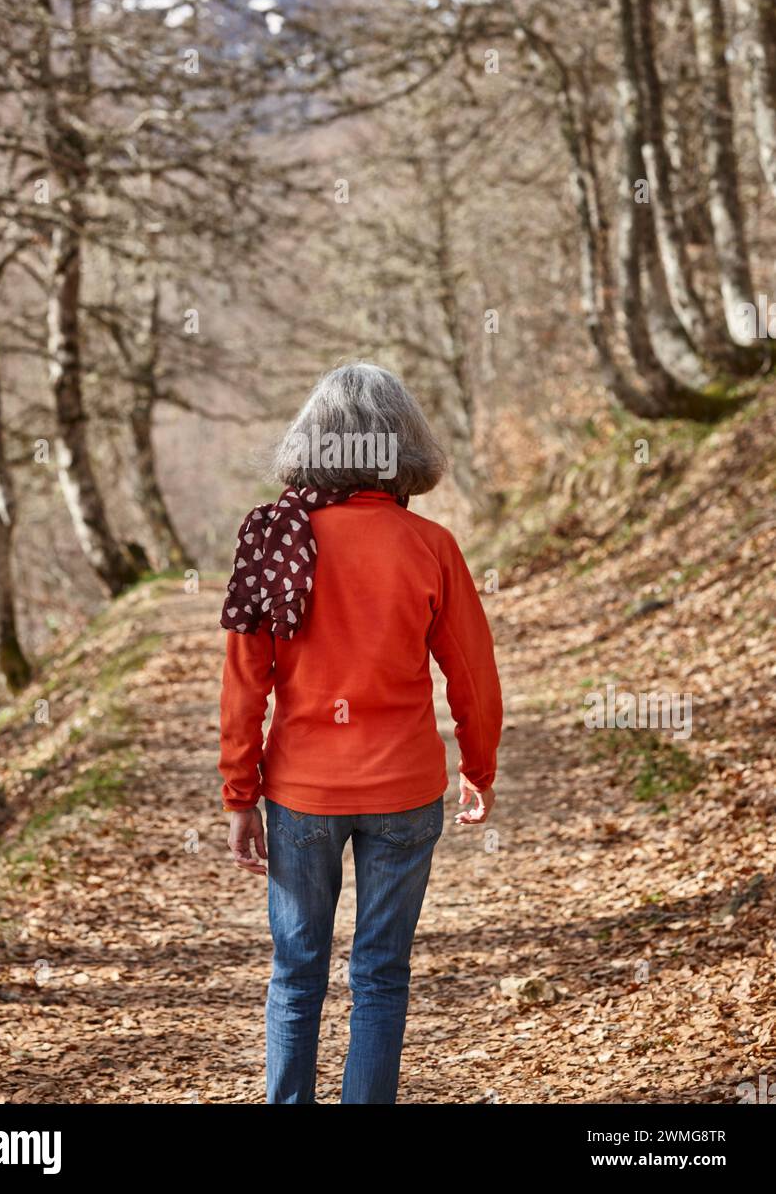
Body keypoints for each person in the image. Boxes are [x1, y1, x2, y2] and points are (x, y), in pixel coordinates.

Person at [217, 361, 503, 1104]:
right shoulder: (430, 546)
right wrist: (479, 766)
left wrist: (238, 795)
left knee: (296, 969)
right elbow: (472, 675)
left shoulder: (275, 539)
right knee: (380, 971)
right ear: (402, 447)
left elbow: (246, 684)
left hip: (304, 795)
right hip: (405, 794)